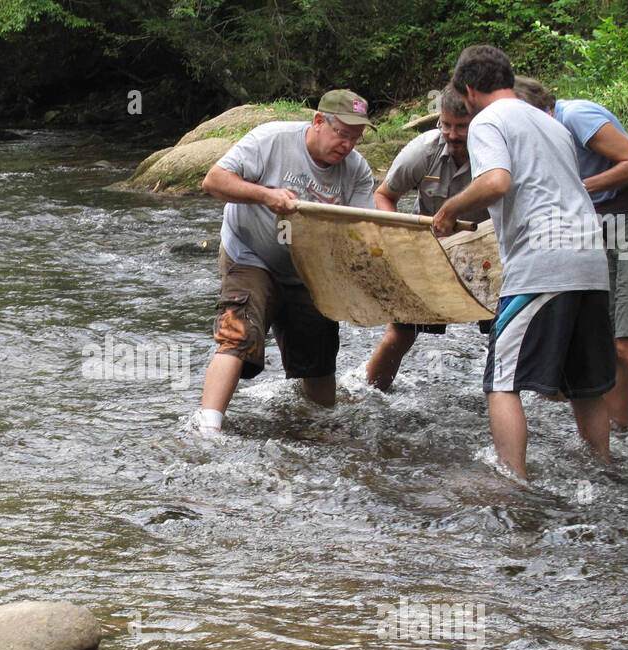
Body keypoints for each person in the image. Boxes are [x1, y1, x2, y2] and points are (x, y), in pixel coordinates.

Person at [431, 46, 615, 479]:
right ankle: (602, 472)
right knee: (586, 386)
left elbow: (496, 182)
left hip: (542, 264)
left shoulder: (489, 120)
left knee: (501, 381)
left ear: (470, 90)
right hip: (591, 262)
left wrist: (448, 209)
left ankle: (513, 482)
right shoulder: (550, 124)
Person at [513, 76, 628, 436]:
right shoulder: (533, 137)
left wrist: (576, 188)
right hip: (601, 228)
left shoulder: (576, 115)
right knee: (608, 342)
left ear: (539, 111)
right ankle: (620, 432)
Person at [192, 89, 377, 436]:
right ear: (319, 122)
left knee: (319, 354)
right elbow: (214, 181)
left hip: (309, 268)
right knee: (238, 332)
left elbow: (364, 230)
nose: (348, 146)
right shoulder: (272, 139)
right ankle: (208, 429)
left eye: (356, 138)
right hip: (250, 252)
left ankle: (319, 428)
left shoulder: (357, 171)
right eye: (342, 134)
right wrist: (266, 195)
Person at [365, 86, 491, 391]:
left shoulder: (496, 151)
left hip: (489, 252)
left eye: (461, 126)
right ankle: (371, 391)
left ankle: (512, 395)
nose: (452, 134)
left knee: (506, 330)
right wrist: (401, 244)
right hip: (432, 250)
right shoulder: (423, 150)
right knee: (403, 330)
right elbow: (383, 196)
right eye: (446, 124)